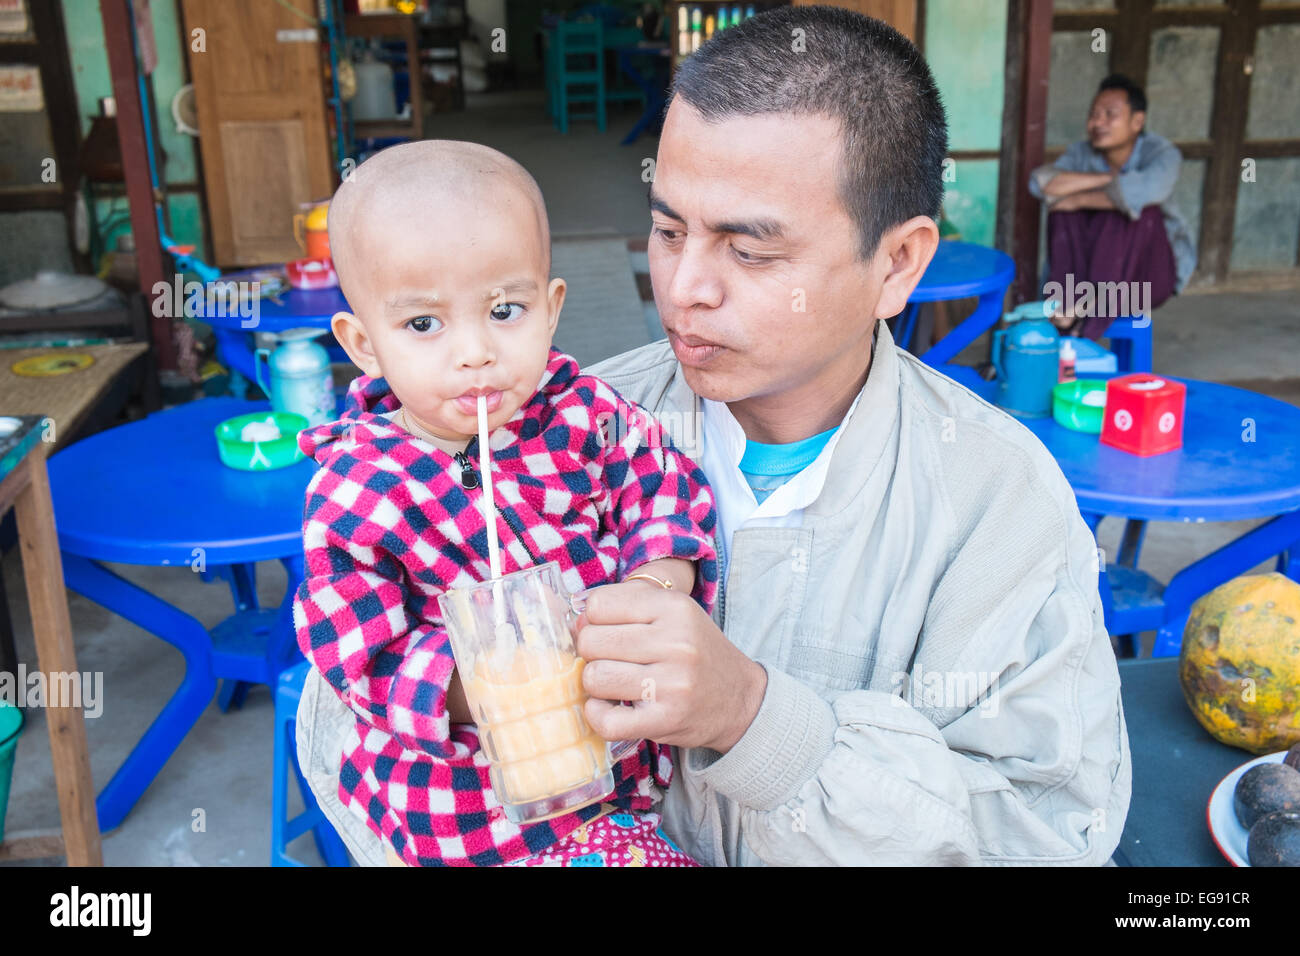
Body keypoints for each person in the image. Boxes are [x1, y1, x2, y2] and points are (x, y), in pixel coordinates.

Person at [299, 6, 1131, 866]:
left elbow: (1043, 836)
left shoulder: (999, 502)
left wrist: (753, 718)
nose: (685, 288)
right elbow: (341, 735)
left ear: (898, 264)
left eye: (750, 251)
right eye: (667, 231)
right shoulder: (539, 430)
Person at [292, 140, 719, 867]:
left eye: (504, 309)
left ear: (550, 309)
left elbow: (662, 487)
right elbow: (362, 654)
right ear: (364, 345)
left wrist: (653, 587)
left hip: (611, 782)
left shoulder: (581, 413)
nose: (475, 352)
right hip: (461, 819)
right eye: (424, 324)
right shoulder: (359, 487)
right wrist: (490, 679)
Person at [1029, 74, 1197, 340]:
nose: (1098, 123)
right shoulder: (1082, 153)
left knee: (1138, 211)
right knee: (1063, 211)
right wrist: (1107, 179)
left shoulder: (1162, 154)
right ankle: (1066, 304)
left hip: (1148, 278)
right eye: (1094, 114)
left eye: (1110, 114)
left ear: (1137, 121)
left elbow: (1146, 191)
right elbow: (1042, 184)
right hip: (1085, 276)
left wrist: (1080, 198)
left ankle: (1080, 323)